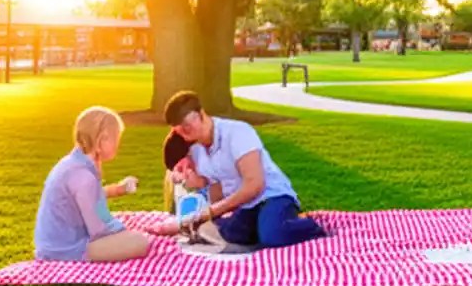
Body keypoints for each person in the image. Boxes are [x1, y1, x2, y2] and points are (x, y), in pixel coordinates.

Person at [157, 91, 325, 248]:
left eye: (187, 127)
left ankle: (307, 225)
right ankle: (260, 226)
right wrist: (198, 187)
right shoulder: (196, 150)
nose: (185, 134)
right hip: (245, 205)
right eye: (180, 131)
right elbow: (222, 188)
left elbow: (255, 185)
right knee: (218, 234)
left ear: (201, 114)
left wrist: (209, 213)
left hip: (271, 196)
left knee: (272, 235)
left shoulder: (237, 133)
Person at [33, 106, 150, 262]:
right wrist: (120, 231)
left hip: (57, 243)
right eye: (116, 139)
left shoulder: (74, 163)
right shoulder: (83, 177)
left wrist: (118, 189)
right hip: (65, 250)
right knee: (140, 242)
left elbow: (93, 199)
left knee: (126, 232)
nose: (118, 146)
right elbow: (98, 230)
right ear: (103, 139)